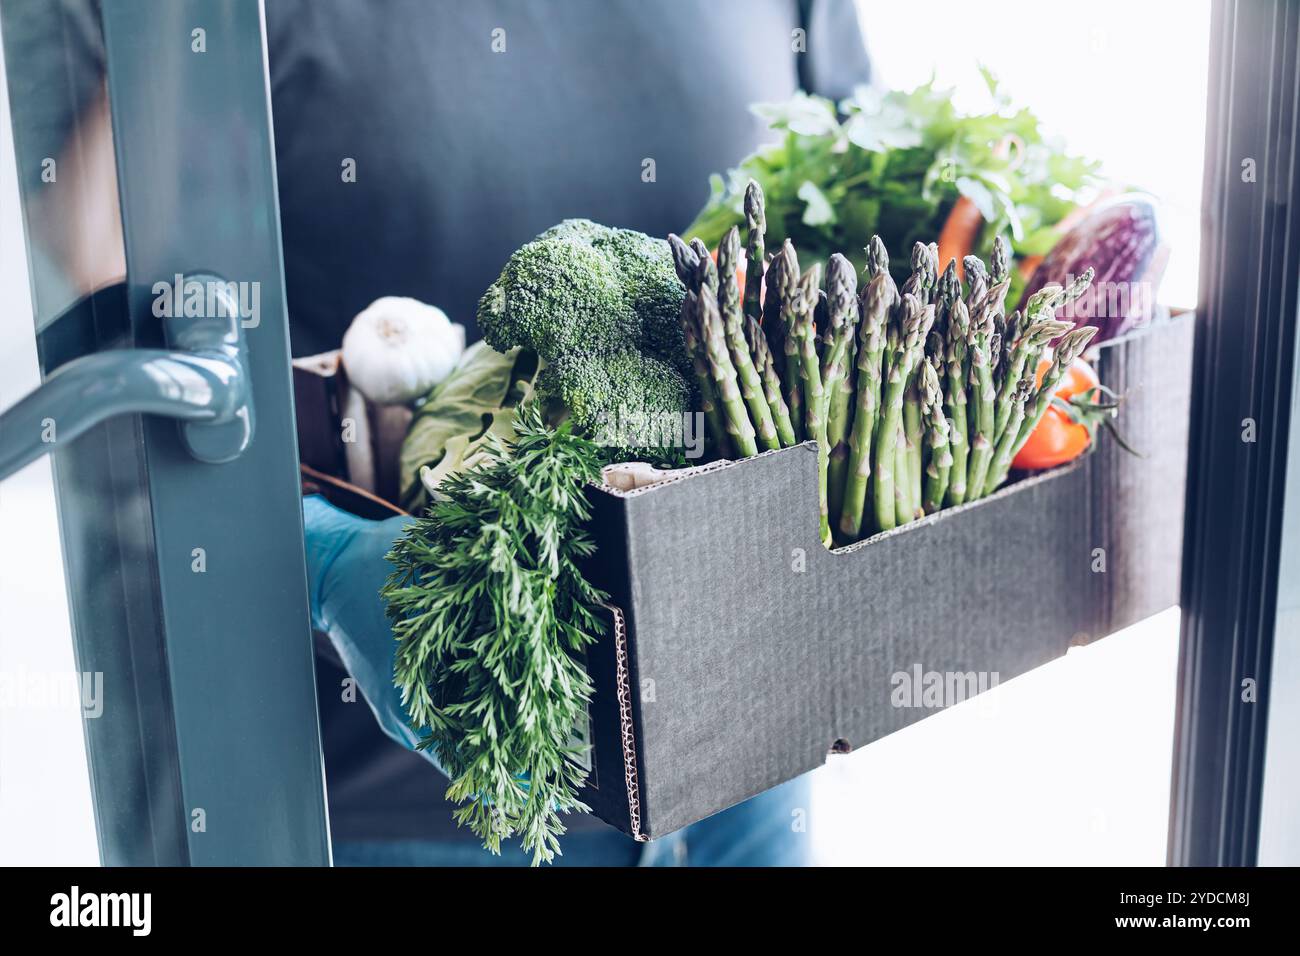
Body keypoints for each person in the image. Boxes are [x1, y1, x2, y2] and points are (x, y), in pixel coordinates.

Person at [277, 0, 874, 867]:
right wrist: (317, 554)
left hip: (751, 751)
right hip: (423, 795)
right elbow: (127, 345)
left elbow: (855, 198)